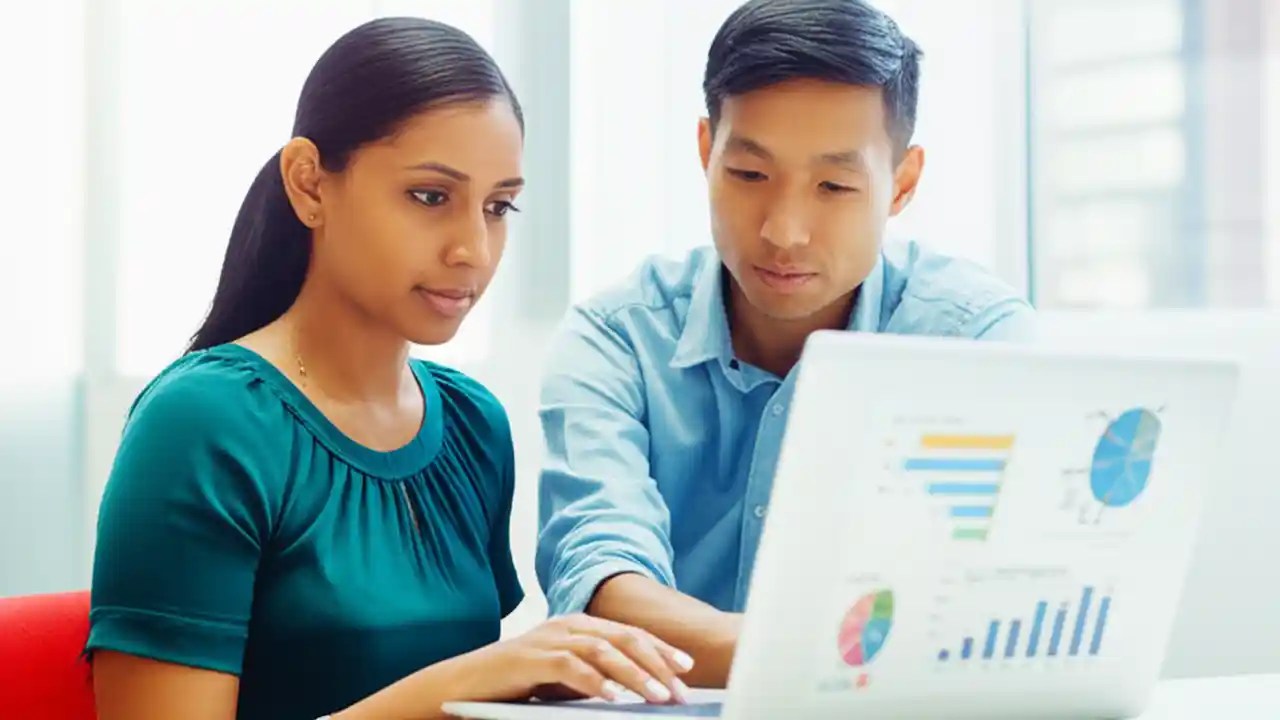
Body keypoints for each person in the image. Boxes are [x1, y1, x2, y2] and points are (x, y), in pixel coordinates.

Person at [86, 18, 693, 720]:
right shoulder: (204, 424)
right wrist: (471, 680)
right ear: (310, 183)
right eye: (431, 197)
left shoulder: (473, 426)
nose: (474, 249)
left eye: (498, 207)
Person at [535, 0, 1036, 689]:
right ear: (707, 152)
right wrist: (842, 656)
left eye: (834, 185)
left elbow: (987, 607)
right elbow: (605, 587)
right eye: (748, 175)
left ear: (903, 183)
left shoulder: (974, 340)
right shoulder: (616, 339)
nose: (784, 230)